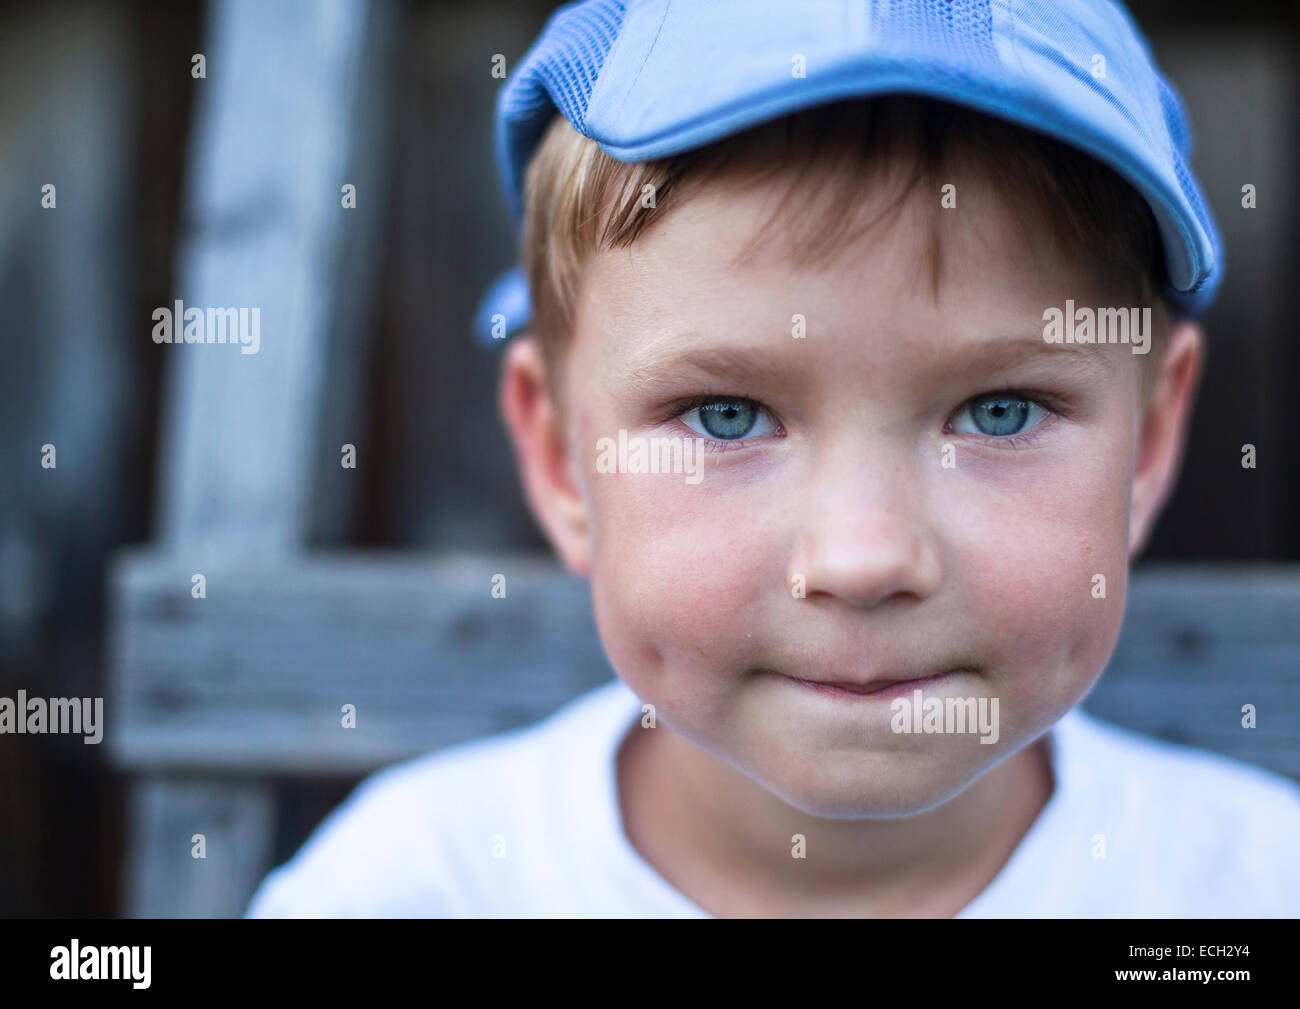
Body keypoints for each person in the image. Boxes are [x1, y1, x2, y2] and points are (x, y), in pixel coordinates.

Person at [247, 0, 1300, 917]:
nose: (863, 557)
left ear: (1147, 443)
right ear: (563, 457)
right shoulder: (408, 893)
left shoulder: (1249, 886)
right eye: (726, 417)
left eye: (998, 410)